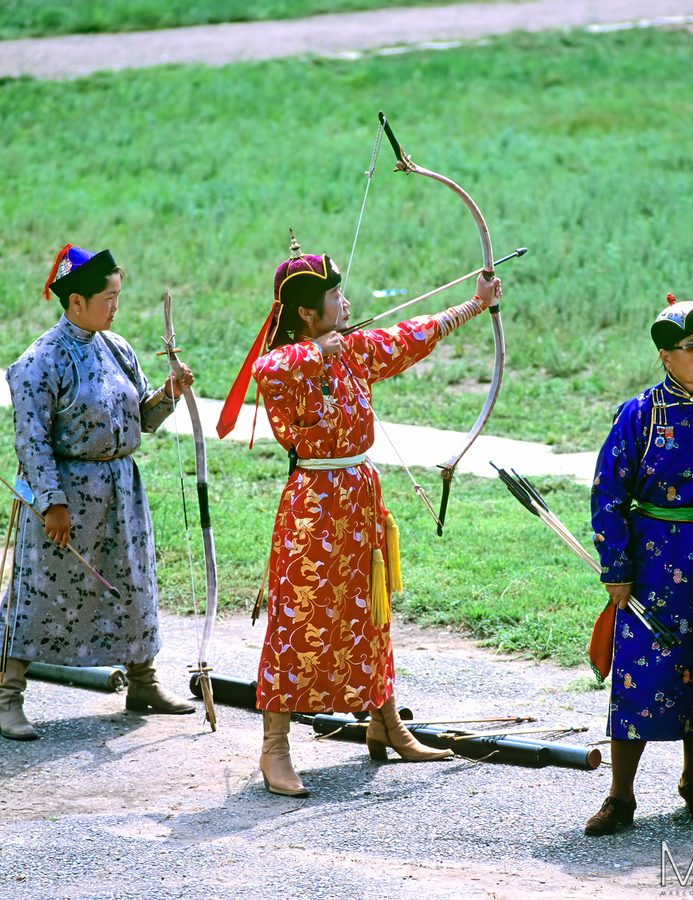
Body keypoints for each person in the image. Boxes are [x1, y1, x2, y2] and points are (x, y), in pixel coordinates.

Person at [217, 232, 502, 796]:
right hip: (313, 505)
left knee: (371, 610)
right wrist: (317, 351)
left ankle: (386, 724)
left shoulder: (354, 348)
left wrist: (476, 304)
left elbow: (408, 336)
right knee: (300, 617)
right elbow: (267, 369)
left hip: (361, 497)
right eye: (335, 297)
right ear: (306, 312)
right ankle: (275, 747)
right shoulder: (290, 363)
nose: (345, 304)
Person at [0, 244, 196, 741]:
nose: (116, 306)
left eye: (117, 296)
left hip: (121, 492)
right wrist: (53, 504)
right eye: (108, 297)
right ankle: (7, 695)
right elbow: (32, 441)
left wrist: (169, 394)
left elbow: (142, 420)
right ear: (76, 303)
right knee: (39, 593)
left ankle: (143, 682)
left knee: (132, 584)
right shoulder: (38, 361)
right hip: (64, 500)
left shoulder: (117, 347)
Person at [587, 293, 693, 835]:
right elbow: (608, 491)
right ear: (666, 357)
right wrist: (616, 566)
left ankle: (692, 781)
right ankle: (620, 796)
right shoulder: (640, 414)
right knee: (642, 674)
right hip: (656, 559)